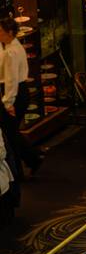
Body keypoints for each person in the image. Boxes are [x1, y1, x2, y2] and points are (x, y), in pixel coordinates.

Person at [0, 17, 41, 172]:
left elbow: (11, 80)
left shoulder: (11, 52)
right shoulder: (12, 46)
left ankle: (28, 161)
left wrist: (8, 103)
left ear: (9, 32)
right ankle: (31, 159)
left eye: (1, 31)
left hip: (14, 93)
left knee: (10, 133)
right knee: (11, 132)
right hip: (19, 91)